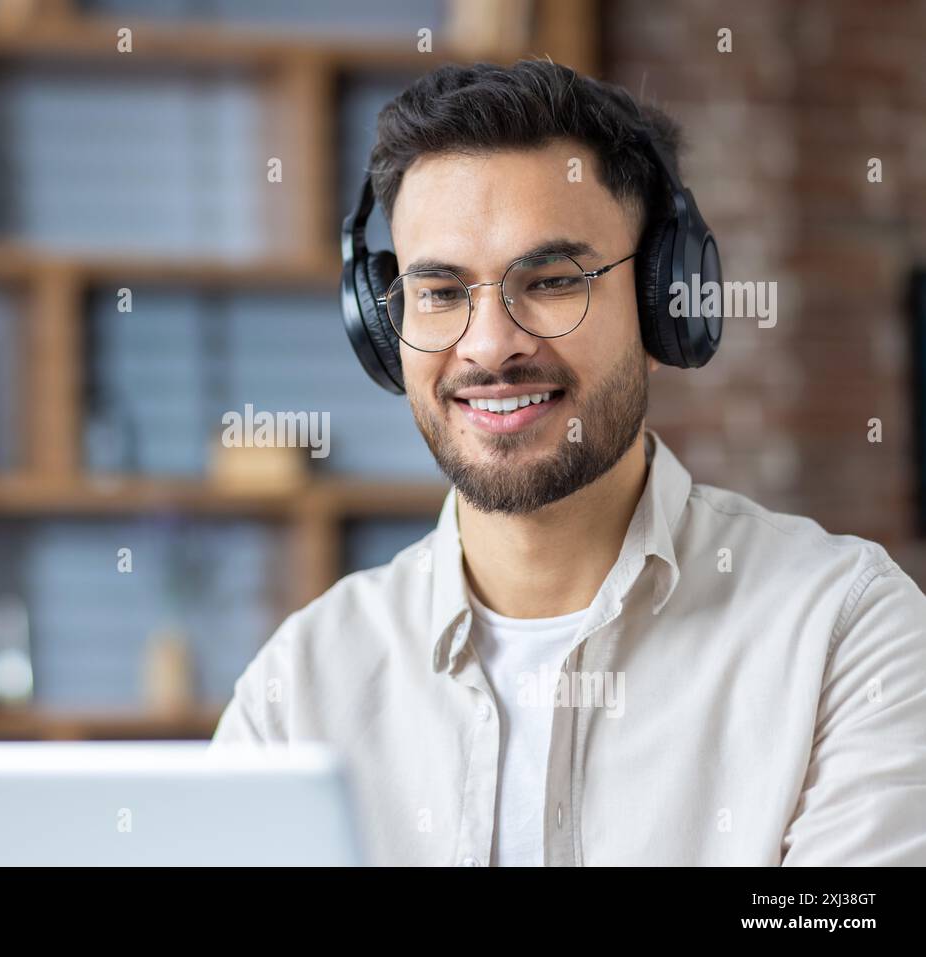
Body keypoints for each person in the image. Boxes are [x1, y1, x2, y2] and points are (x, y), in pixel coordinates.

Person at [209, 60, 926, 866]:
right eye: (441, 293)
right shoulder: (300, 689)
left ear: (663, 306)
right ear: (386, 329)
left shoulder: (846, 635)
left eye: (551, 281)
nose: (489, 346)